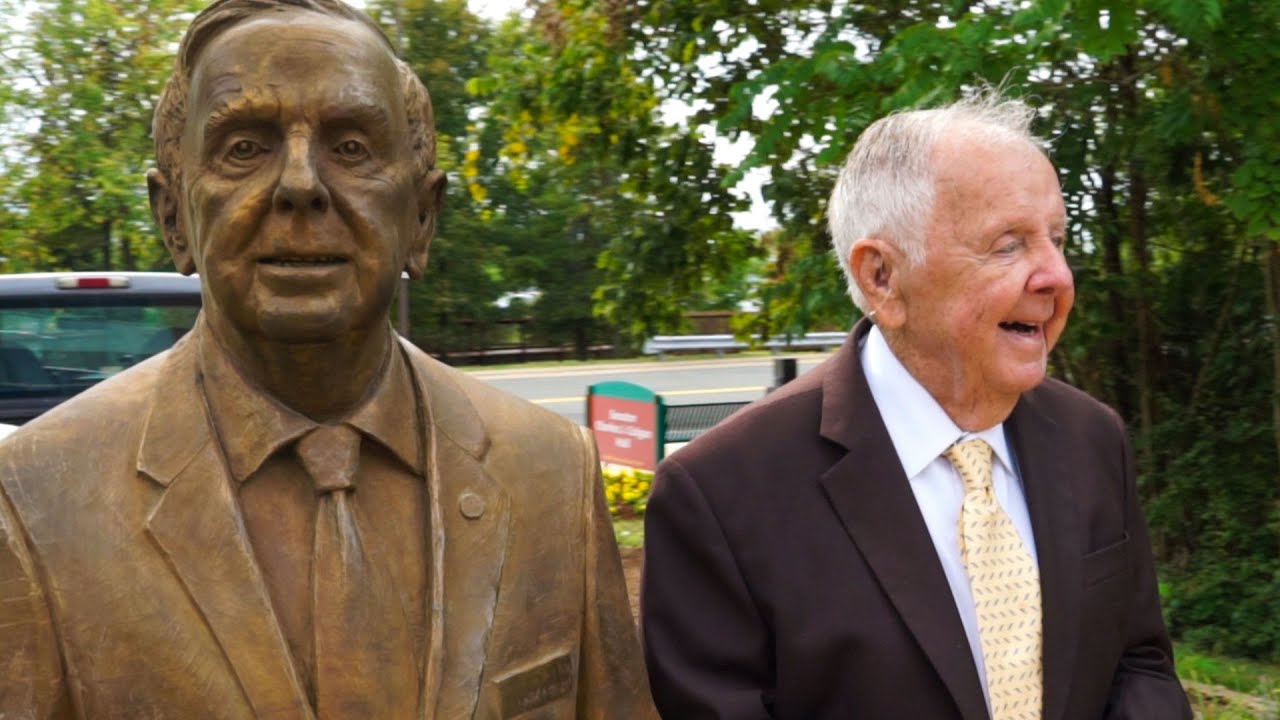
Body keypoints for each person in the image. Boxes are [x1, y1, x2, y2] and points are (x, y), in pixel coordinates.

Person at [0, 1, 656, 717]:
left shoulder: (552, 470)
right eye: (244, 147)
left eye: (350, 147)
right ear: (173, 217)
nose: (300, 185)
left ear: (422, 217)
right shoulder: (35, 497)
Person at [641, 95, 1192, 719]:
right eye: (1008, 245)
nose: (1056, 277)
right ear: (882, 277)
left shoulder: (1092, 438)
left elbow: (1137, 662)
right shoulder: (720, 494)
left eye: (1057, 240)